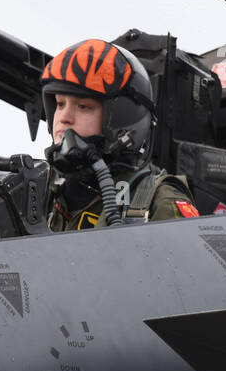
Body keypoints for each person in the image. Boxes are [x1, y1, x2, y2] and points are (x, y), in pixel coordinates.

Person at [40, 39, 199, 231]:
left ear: (121, 121)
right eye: (59, 104)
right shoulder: (37, 195)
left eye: (83, 107)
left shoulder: (160, 204)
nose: (64, 118)